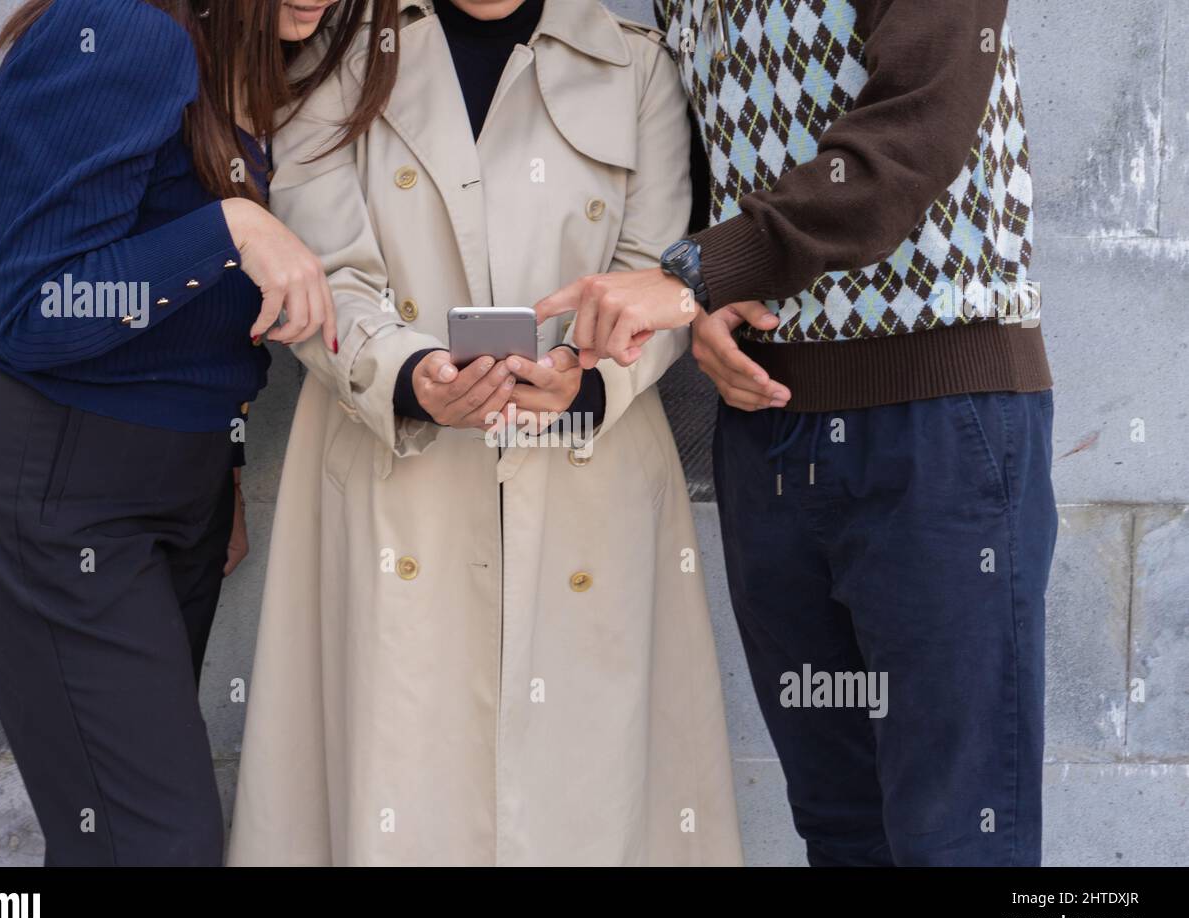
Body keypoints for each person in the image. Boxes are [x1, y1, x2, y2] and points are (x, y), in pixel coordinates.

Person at [537, 0, 1056, 866]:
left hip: (936, 424)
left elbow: (912, 134)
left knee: (958, 838)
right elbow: (731, 155)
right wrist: (705, 308)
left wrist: (695, 274)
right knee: (839, 826)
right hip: (768, 431)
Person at [228, 0, 743, 866]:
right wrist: (406, 376)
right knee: (399, 788)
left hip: (589, 470)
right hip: (394, 459)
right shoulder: (336, 48)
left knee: (586, 797)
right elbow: (324, 273)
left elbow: (658, 273)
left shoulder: (635, 64)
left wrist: (585, 381)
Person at [0, 0, 398, 866]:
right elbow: (35, 310)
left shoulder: (232, 55)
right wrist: (230, 228)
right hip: (58, 489)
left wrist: (218, 458)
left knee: (113, 833)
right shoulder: (119, 28)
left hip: (171, 494)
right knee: (160, 844)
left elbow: (190, 327)